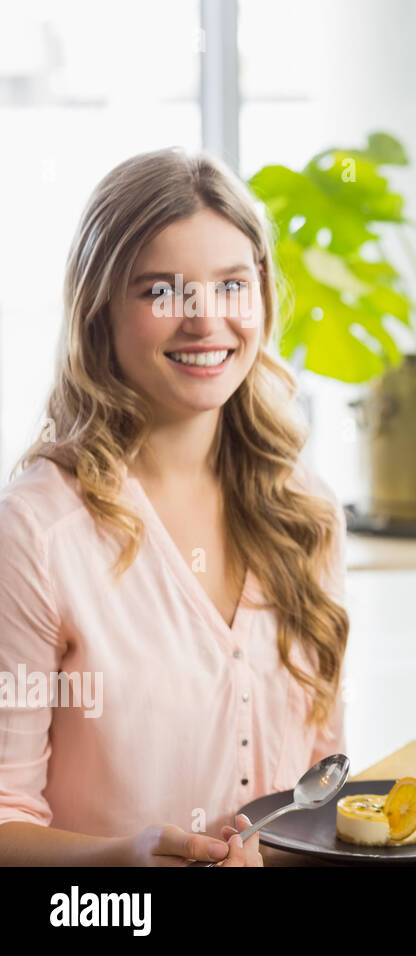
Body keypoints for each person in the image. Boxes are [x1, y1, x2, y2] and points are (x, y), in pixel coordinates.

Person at [0, 148, 349, 865]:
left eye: (231, 286)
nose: (204, 321)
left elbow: (323, 785)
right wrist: (124, 860)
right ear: (99, 313)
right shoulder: (36, 532)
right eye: (161, 291)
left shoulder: (306, 512)